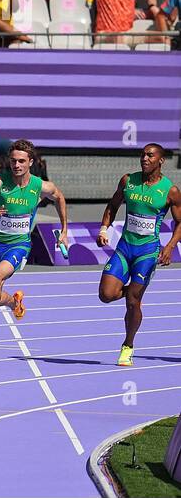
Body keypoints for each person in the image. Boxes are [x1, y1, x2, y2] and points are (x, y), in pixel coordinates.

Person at [0, 139, 68, 351]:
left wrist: (64, 231)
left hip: (19, 245)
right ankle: (13, 302)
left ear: (30, 162)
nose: (16, 165)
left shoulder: (40, 186)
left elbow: (59, 198)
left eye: (21, 161)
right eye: (13, 161)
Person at [96, 144, 181, 367]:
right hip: (125, 247)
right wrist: (104, 228)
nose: (144, 158)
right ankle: (133, 289)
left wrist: (171, 245)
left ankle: (128, 346)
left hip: (147, 252)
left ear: (161, 161)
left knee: (133, 302)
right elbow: (113, 205)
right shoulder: (128, 181)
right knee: (106, 294)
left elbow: (180, 222)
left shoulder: (170, 191)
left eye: (150, 155)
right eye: (143, 154)